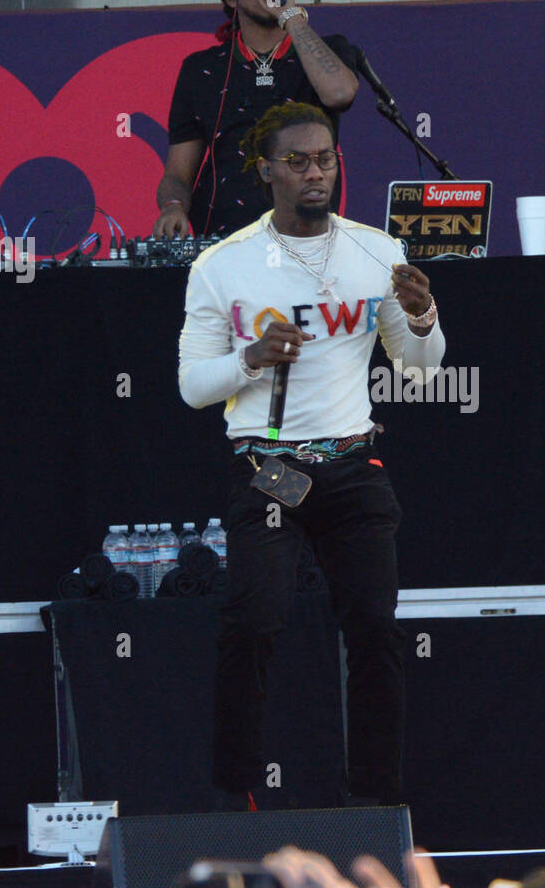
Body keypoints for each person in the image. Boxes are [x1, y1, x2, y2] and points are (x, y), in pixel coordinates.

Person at [178, 102, 443, 809]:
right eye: (296, 161)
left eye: (325, 158)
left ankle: (377, 807)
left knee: (377, 630)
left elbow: (419, 366)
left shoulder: (376, 251)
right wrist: (248, 358)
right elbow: (192, 386)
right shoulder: (222, 266)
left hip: (353, 463)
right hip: (268, 468)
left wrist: (422, 317)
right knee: (255, 616)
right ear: (265, 171)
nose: (315, 172)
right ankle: (236, 796)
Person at [155, 0, 360, 243]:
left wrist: (290, 17)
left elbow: (340, 93)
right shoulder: (201, 69)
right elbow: (177, 174)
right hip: (227, 242)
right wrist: (173, 207)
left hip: (309, 238)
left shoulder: (328, 48)